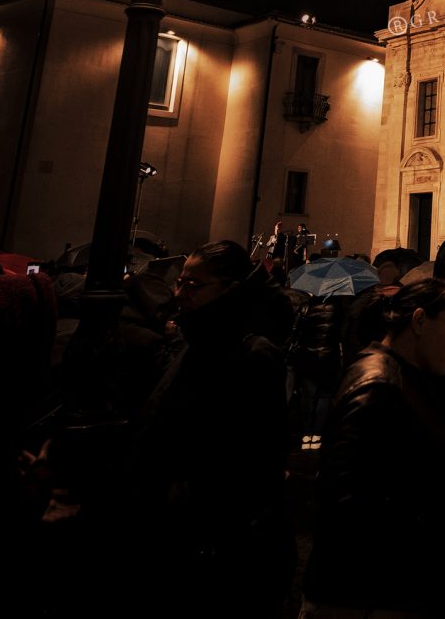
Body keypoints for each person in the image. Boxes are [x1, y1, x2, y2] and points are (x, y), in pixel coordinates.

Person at [131, 241, 295, 619]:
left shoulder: (249, 354)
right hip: (179, 535)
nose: (179, 294)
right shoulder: (195, 343)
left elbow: (256, 465)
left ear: (229, 289)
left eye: (192, 285)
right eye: (180, 282)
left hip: (217, 548)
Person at [300, 278, 445, 618]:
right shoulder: (379, 386)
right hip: (366, 596)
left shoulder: (405, 375)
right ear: (420, 321)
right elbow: (348, 508)